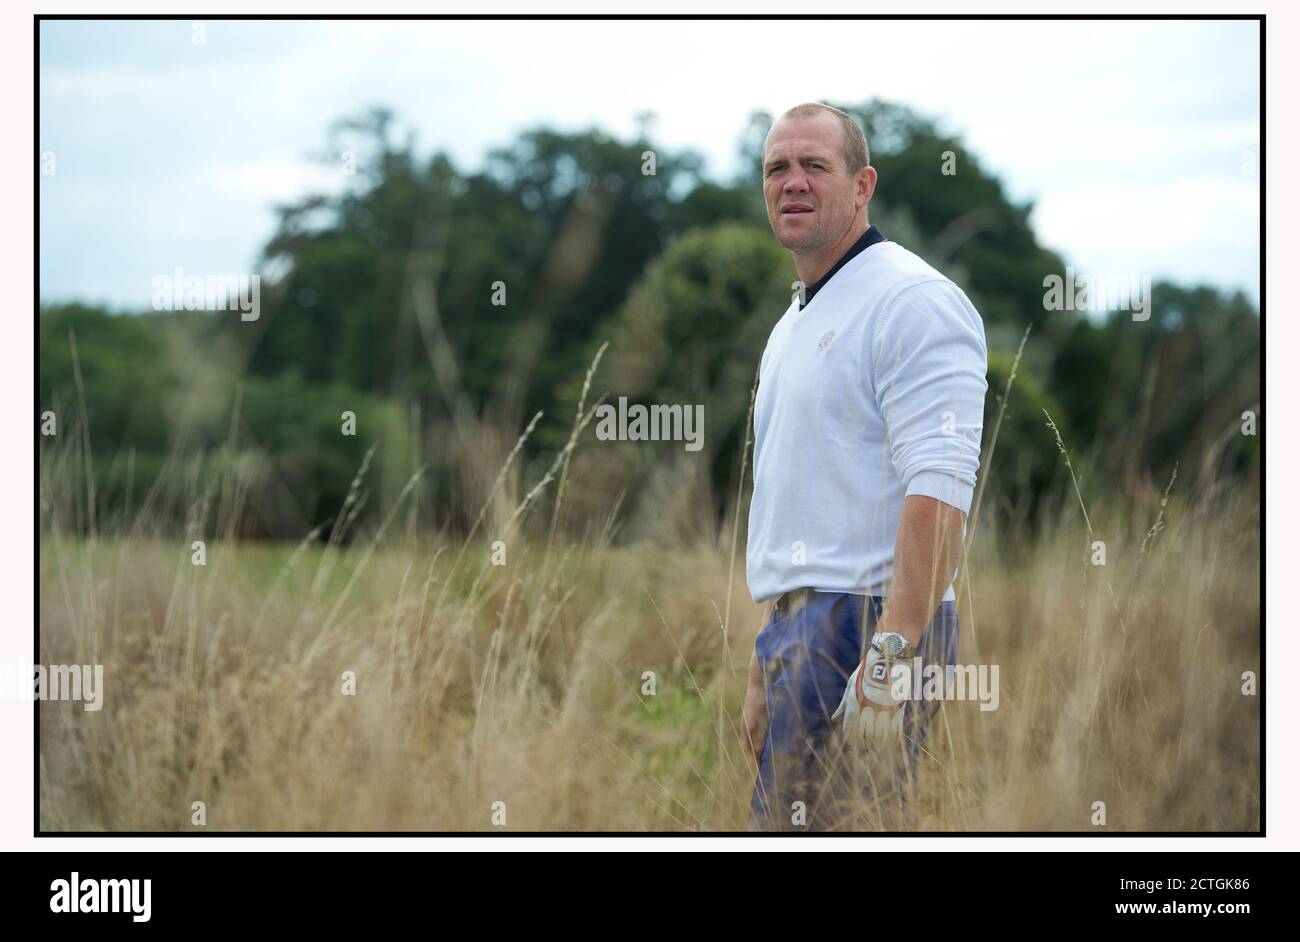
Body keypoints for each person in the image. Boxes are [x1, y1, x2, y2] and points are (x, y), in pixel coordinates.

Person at [742, 102, 988, 831]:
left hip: (866, 625)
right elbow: (795, 500)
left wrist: (888, 658)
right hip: (798, 631)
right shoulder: (792, 323)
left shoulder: (911, 300)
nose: (792, 182)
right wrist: (767, 651)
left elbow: (940, 488)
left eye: (814, 165)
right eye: (776, 168)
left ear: (862, 185)